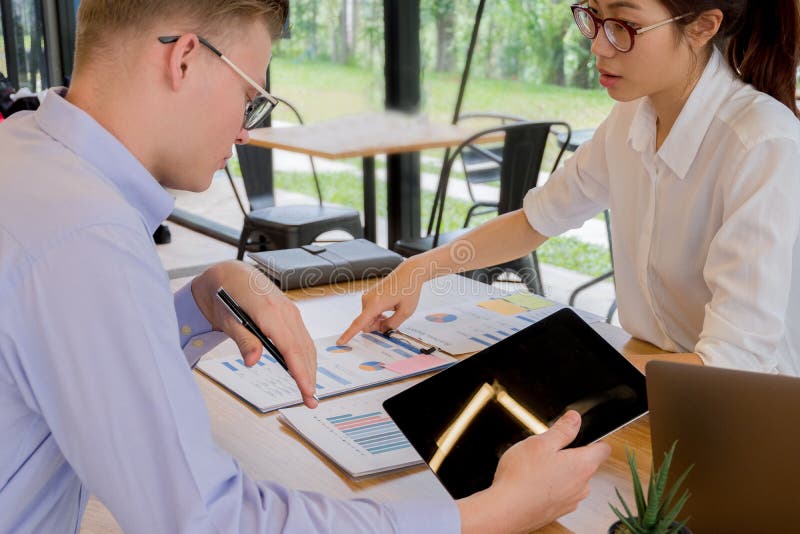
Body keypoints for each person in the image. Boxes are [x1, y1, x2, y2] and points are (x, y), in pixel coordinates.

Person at [0, 1, 611, 532]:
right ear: (184, 58)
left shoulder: (29, 156)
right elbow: (211, 520)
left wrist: (199, 298)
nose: (244, 130)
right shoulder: (89, 237)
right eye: (251, 96)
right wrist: (491, 514)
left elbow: (55, 353)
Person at [340, 0, 800, 376]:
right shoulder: (630, 119)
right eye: (594, 18)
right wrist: (419, 269)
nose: (599, 46)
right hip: (656, 385)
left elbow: (733, 363)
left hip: (742, 416)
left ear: (702, 27)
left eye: (624, 24)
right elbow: (534, 221)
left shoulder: (761, 143)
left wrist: (571, 366)